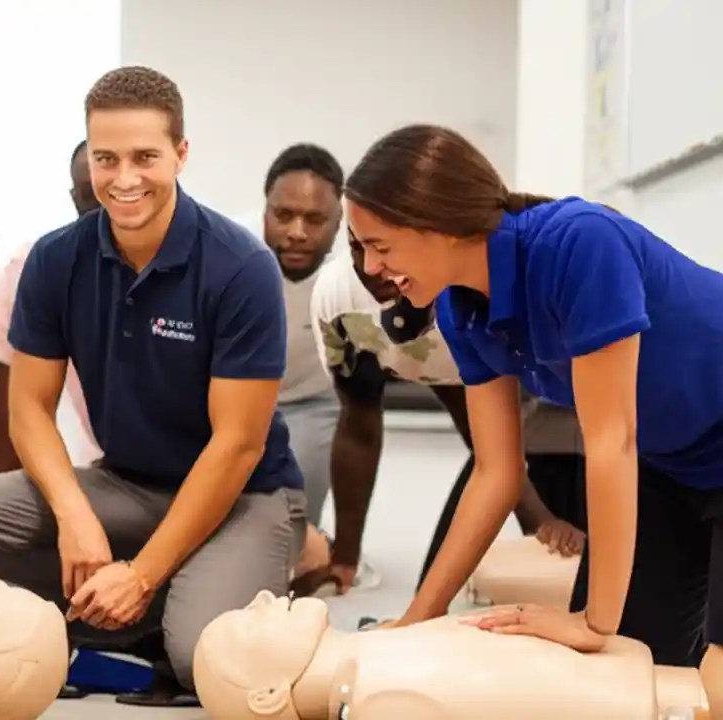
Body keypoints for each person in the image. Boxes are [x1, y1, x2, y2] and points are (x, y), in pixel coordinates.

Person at [0, 65, 305, 699]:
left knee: (199, 659)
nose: (125, 179)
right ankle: (154, 599)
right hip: (128, 484)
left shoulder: (241, 266)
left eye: (145, 157)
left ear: (181, 155)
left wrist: (138, 575)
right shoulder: (55, 260)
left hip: (244, 494)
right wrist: (74, 514)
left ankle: (171, 597)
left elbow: (238, 446)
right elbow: (27, 408)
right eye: (107, 159)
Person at [343, 123, 723, 704]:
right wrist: (415, 619)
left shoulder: (579, 246)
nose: (371, 267)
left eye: (379, 245)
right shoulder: (458, 310)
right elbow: (496, 472)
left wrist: (594, 623)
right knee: (604, 687)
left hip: (683, 442)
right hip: (671, 461)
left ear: (436, 224)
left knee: (713, 687)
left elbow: (611, 441)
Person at [307, 221, 587, 595]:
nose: (373, 265)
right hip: (480, 402)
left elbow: (494, 444)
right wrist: (345, 558)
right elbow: (359, 419)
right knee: (440, 590)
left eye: (385, 249)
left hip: (572, 422)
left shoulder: (474, 298)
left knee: (581, 580)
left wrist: (541, 523)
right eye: (359, 247)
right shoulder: (337, 298)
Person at [0, 140, 103, 474]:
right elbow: (14, 398)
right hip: (101, 463)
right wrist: (5, 495)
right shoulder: (32, 267)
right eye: (91, 197)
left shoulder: (193, 270)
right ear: (75, 198)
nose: (106, 213)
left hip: (181, 468)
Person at [254, 144, 342, 531]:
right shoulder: (231, 264)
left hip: (313, 407)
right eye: (284, 215)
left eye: (314, 219)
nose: (296, 233)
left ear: (338, 221)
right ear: (265, 212)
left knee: (293, 515)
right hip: (232, 404)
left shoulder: (354, 281)